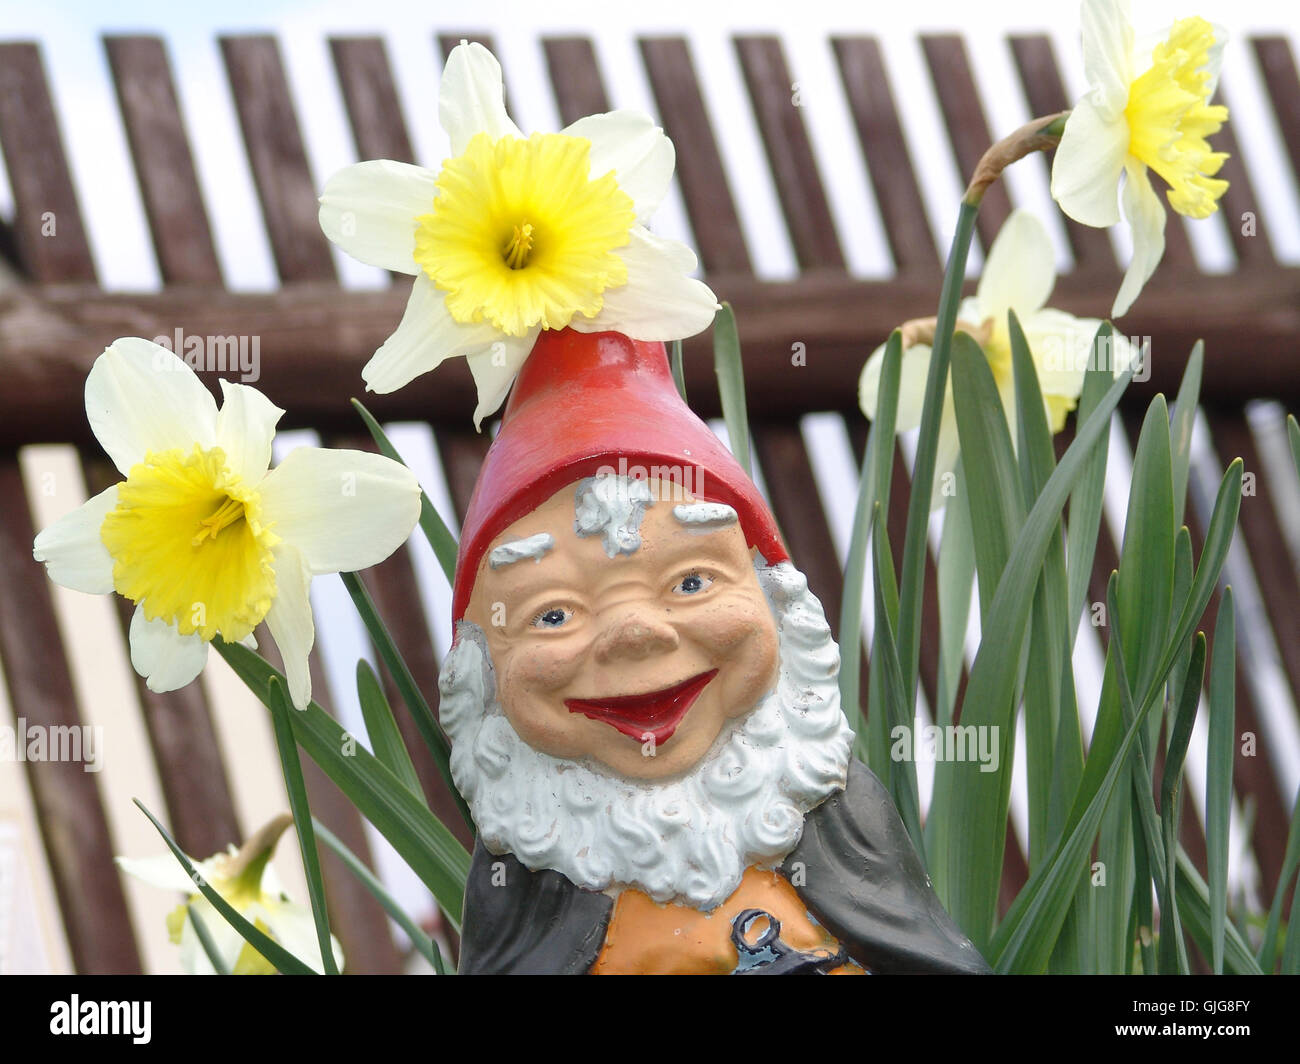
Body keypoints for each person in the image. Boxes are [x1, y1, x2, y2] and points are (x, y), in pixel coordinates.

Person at [438, 326, 991, 975]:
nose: (635, 633)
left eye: (691, 582)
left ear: (775, 604)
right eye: (552, 614)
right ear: (483, 670)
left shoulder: (832, 811)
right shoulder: (525, 873)